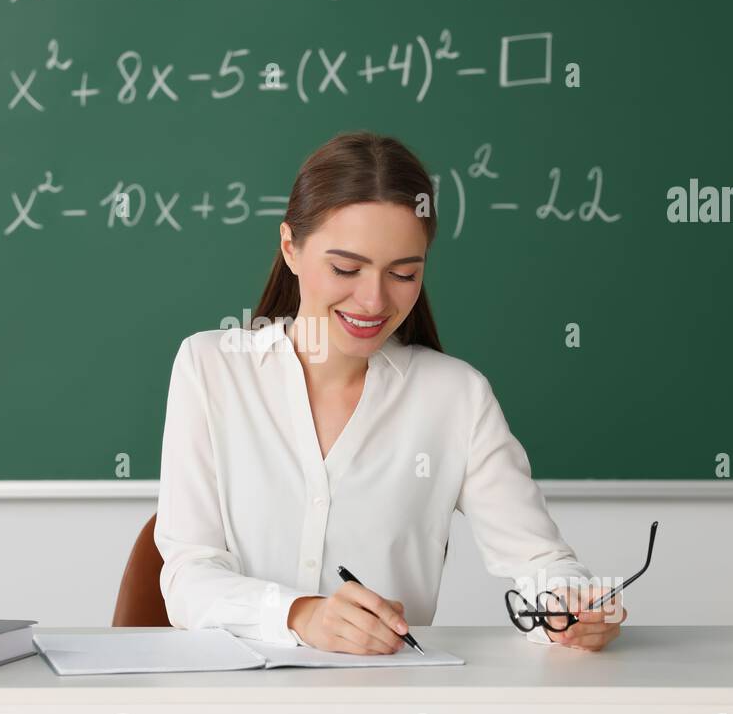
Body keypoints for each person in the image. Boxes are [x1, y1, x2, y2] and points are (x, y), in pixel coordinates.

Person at [155, 131, 625, 654]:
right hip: (231, 709)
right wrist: (299, 615)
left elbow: (540, 562)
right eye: (346, 268)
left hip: (391, 709)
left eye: (403, 273)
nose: (374, 299)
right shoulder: (212, 367)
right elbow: (187, 577)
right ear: (290, 247)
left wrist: (570, 606)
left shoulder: (455, 397)